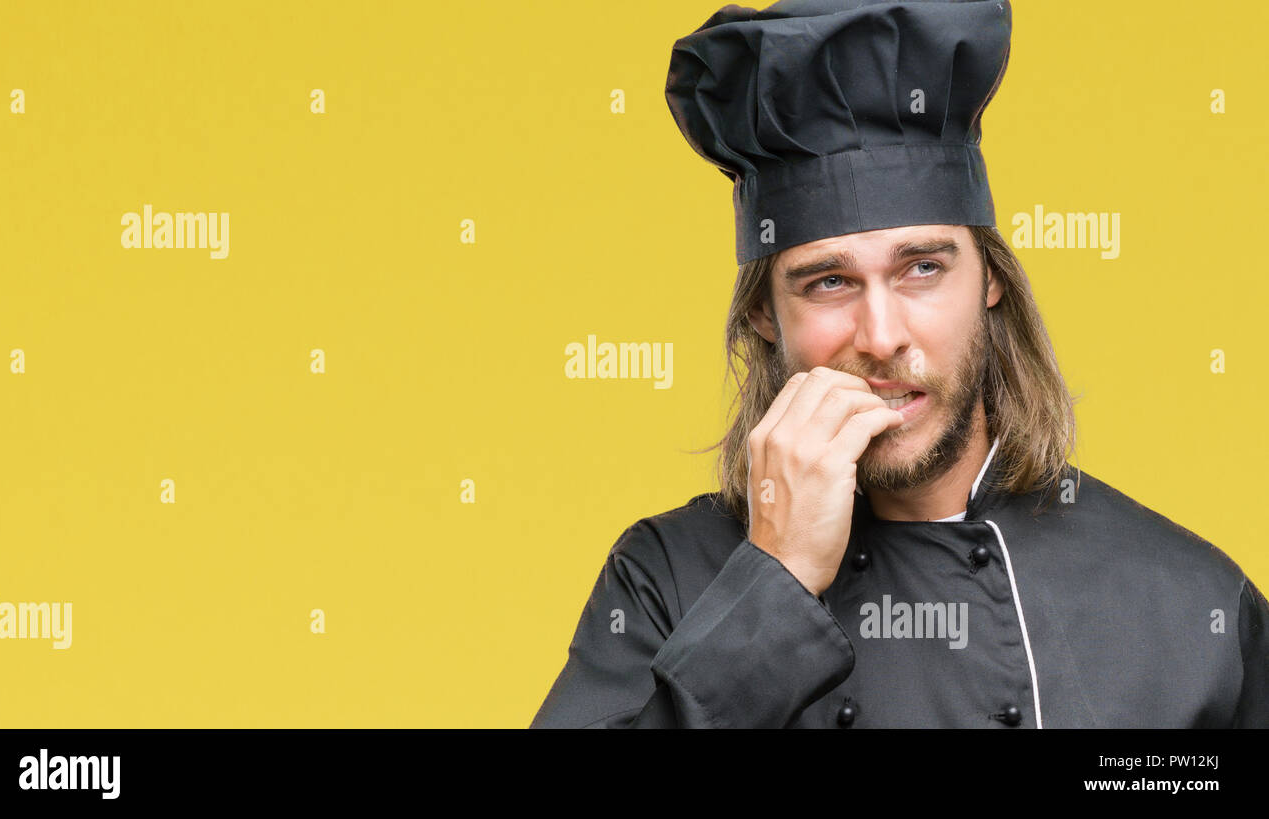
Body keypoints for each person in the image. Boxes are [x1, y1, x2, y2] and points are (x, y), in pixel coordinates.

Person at [530, 0, 1269, 728]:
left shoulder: (1188, 606)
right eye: (829, 281)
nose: (881, 336)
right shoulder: (667, 579)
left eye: (922, 268)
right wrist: (773, 583)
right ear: (763, 314)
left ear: (989, 280)